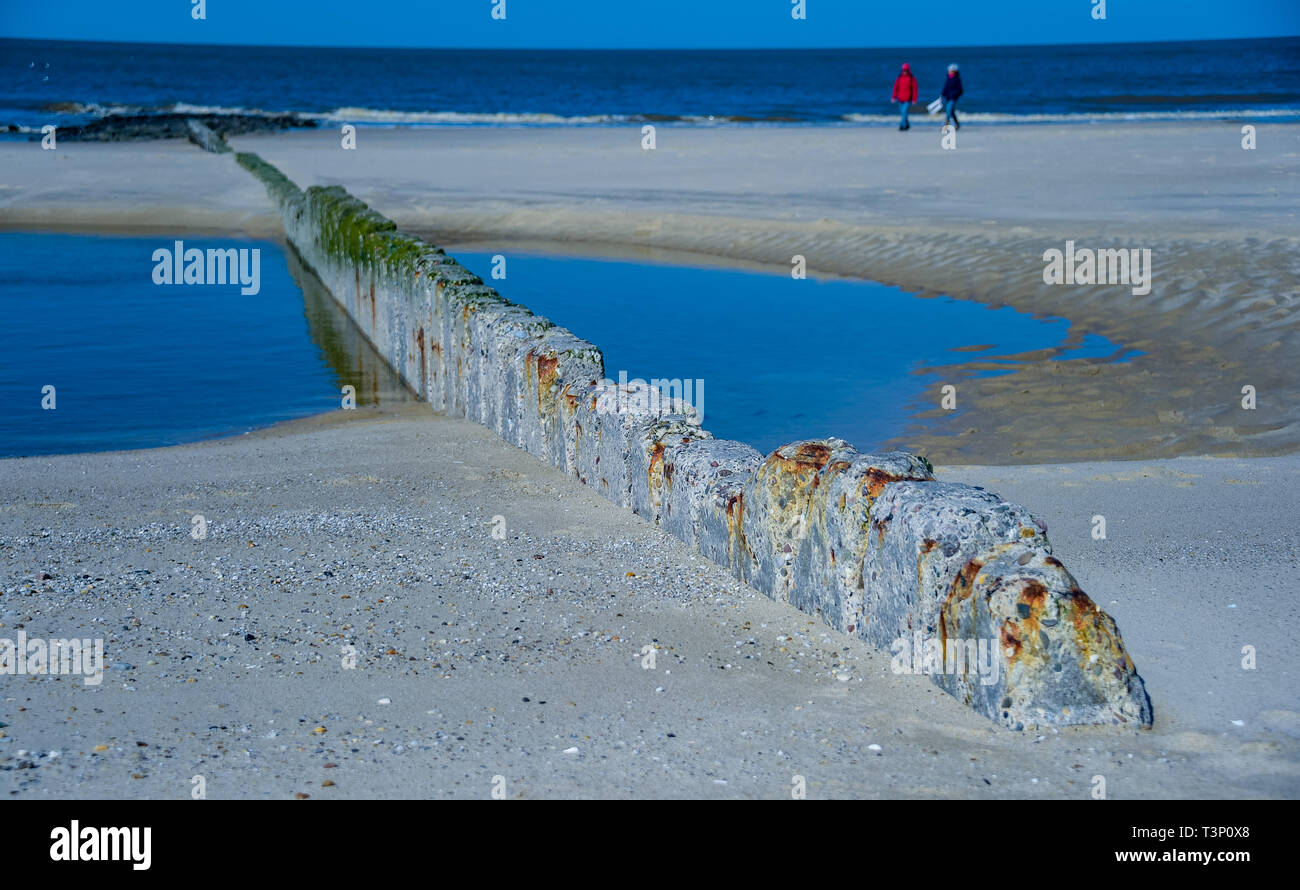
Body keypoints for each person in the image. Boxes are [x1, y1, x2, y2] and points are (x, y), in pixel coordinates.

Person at [891, 63, 917, 130]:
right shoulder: (899, 78)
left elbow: (914, 89)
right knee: (903, 113)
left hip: (907, 99)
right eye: (903, 70)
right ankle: (907, 124)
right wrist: (893, 97)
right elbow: (895, 88)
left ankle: (902, 126)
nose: (904, 71)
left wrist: (914, 99)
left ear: (908, 70)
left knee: (904, 112)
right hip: (900, 98)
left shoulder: (912, 78)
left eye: (905, 70)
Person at [941, 63, 963, 129]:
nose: (949, 71)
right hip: (947, 97)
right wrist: (942, 94)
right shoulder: (948, 78)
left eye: (951, 70)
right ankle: (957, 124)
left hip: (953, 98)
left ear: (954, 71)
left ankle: (946, 126)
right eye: (949, 70)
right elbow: (945, 88)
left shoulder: (957, 79)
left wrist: (954, 95)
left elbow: (960, 90)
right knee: (951, 112)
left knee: (948, 111)